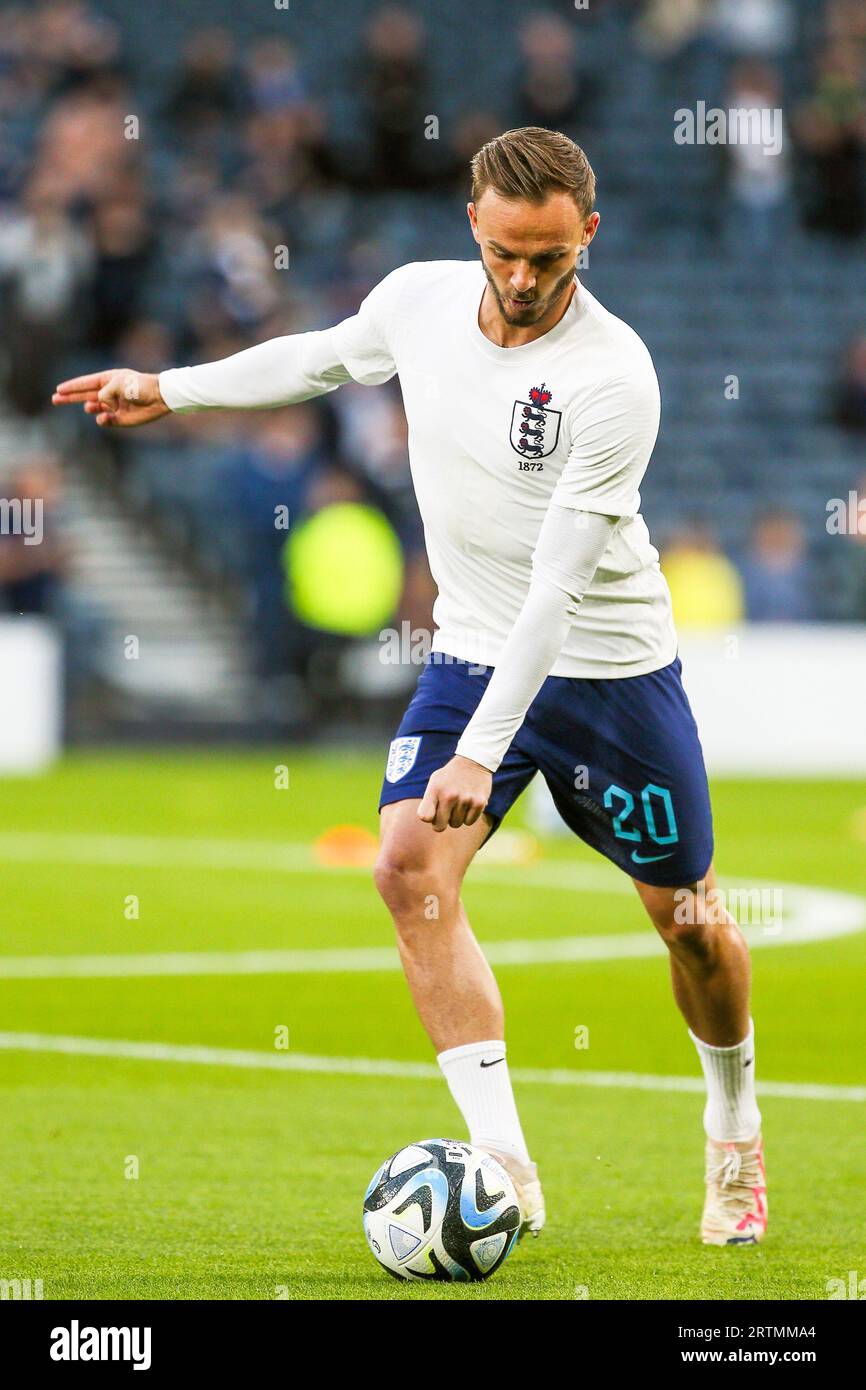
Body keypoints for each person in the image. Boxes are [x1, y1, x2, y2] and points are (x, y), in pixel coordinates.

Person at [52, 127, 766, 1251]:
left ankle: (732, 1122)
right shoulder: (420, 300)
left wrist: (481, 752)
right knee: (404, 866)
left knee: (687, 925)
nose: (523, 281)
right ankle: (506, 1169)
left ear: (588, 233)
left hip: (606, 667)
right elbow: (321, 356)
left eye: (549, 259)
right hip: (475, 646)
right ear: (472, 225)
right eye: (504, 254)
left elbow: (556, 591)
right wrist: (168, 388)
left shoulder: (612, 375)